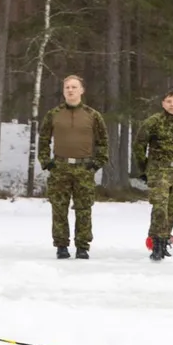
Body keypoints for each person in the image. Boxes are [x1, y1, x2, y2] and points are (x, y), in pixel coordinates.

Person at [37, 75, 109, 259]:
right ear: (63, 91)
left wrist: (97, 163)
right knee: (59, 208)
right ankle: (61, 245)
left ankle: (82, 246)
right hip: (60, 168)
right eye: (67, 87)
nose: (70, 90)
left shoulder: (93, 115)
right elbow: (43, 140)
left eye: (74, 87)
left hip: (84, 168)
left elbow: (103, 141)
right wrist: (47, 162)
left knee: (84, 208)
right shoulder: (53, 114)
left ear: (82, 90)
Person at [132, 90, 173, 261]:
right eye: (169, 101)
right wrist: (144, 169)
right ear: (163, 103)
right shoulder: (153, 122)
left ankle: (165, 239)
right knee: (160, 207)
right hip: (158, 170)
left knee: (172, 210)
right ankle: (156, 243)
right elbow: (139, 145)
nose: (172, 104)